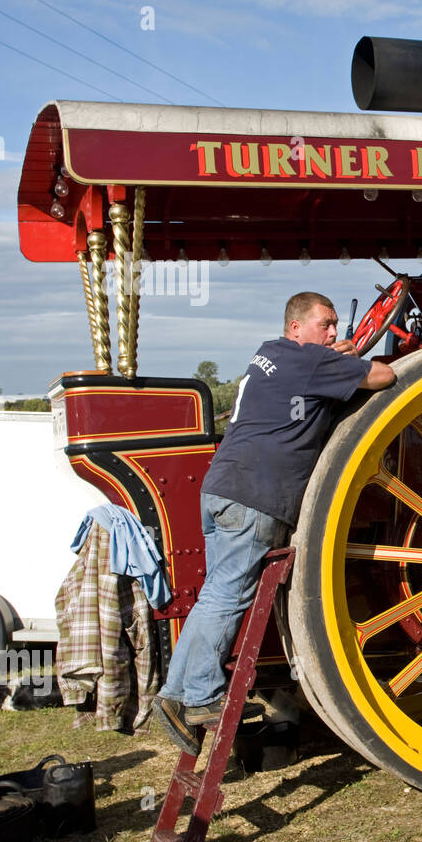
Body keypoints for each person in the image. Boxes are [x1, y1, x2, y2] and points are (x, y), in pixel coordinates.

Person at [153, 292, 395, 754]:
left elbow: (312, 369)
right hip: (257, 497)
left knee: (214, 596)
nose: (333, 333)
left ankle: (172, 696)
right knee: (229, 595)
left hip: (222, 488)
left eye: (336, 325)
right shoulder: (309, 362)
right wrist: (349, 359)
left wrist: (329, 355)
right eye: (325, 324)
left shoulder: (269, 354)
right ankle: (203, 697)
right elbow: (384, 375)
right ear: (296, 327)